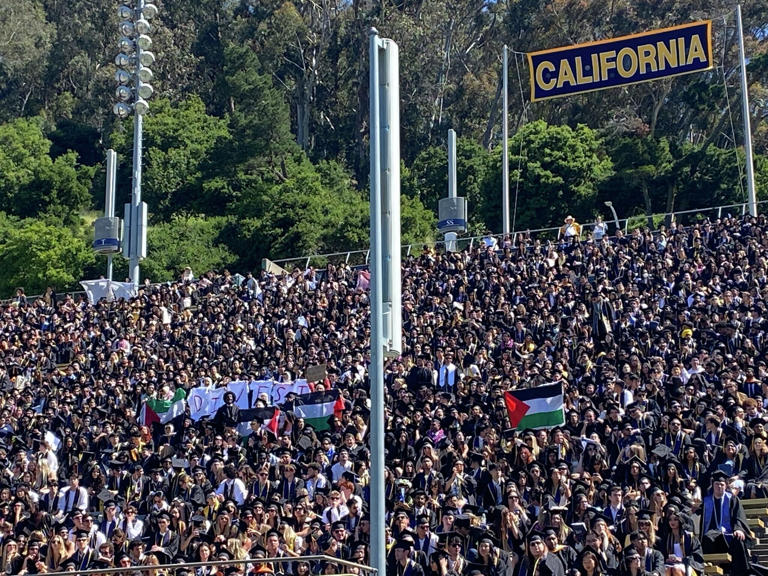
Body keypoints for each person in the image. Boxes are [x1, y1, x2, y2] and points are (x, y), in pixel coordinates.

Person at [699, 470, 751, 574]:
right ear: (713, 485)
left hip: (729, 533)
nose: (719, 487)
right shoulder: (706, 501)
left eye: (722, 484)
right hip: (712, 535)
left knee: (738, 539)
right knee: (707, 538)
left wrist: (738, 529)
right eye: (717, 484)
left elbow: (739, 516)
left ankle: (740, 573)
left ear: (726, 485)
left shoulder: (732, 499)